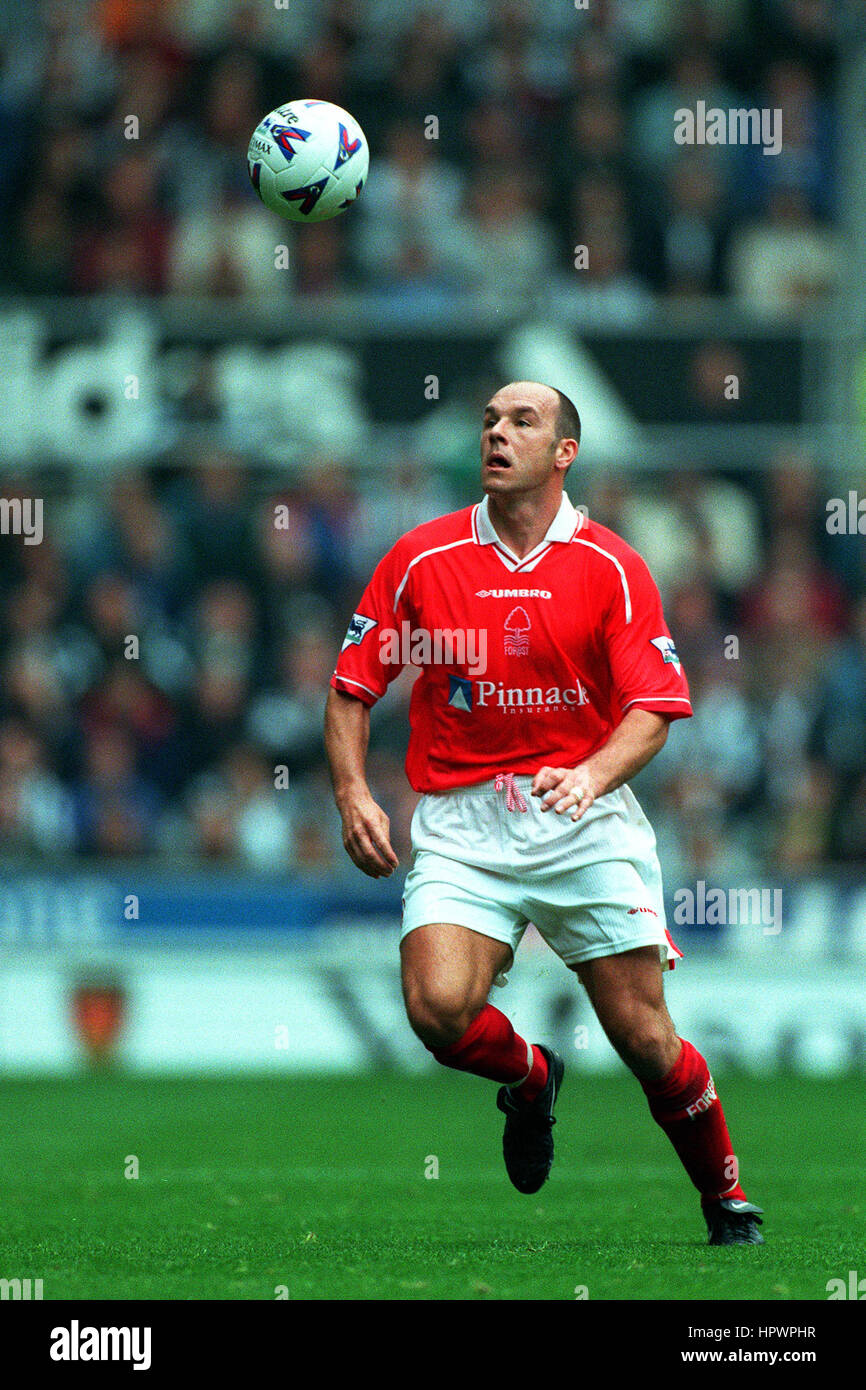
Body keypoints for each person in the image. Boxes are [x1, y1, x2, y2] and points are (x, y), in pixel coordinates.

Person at [324, 380, 763, 1245]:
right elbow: (351, 689)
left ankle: (724, 1196)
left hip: (579, 817)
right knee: (436, 1010)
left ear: (564, 452)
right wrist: (352, 792)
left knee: (643, 1037)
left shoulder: (611, 566)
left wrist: (595, 775)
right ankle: (531, 1077)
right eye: (489, 420)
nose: (497, 432)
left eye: (522, 421)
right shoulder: (423, 558)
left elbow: (656, 707)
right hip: (461, 820)